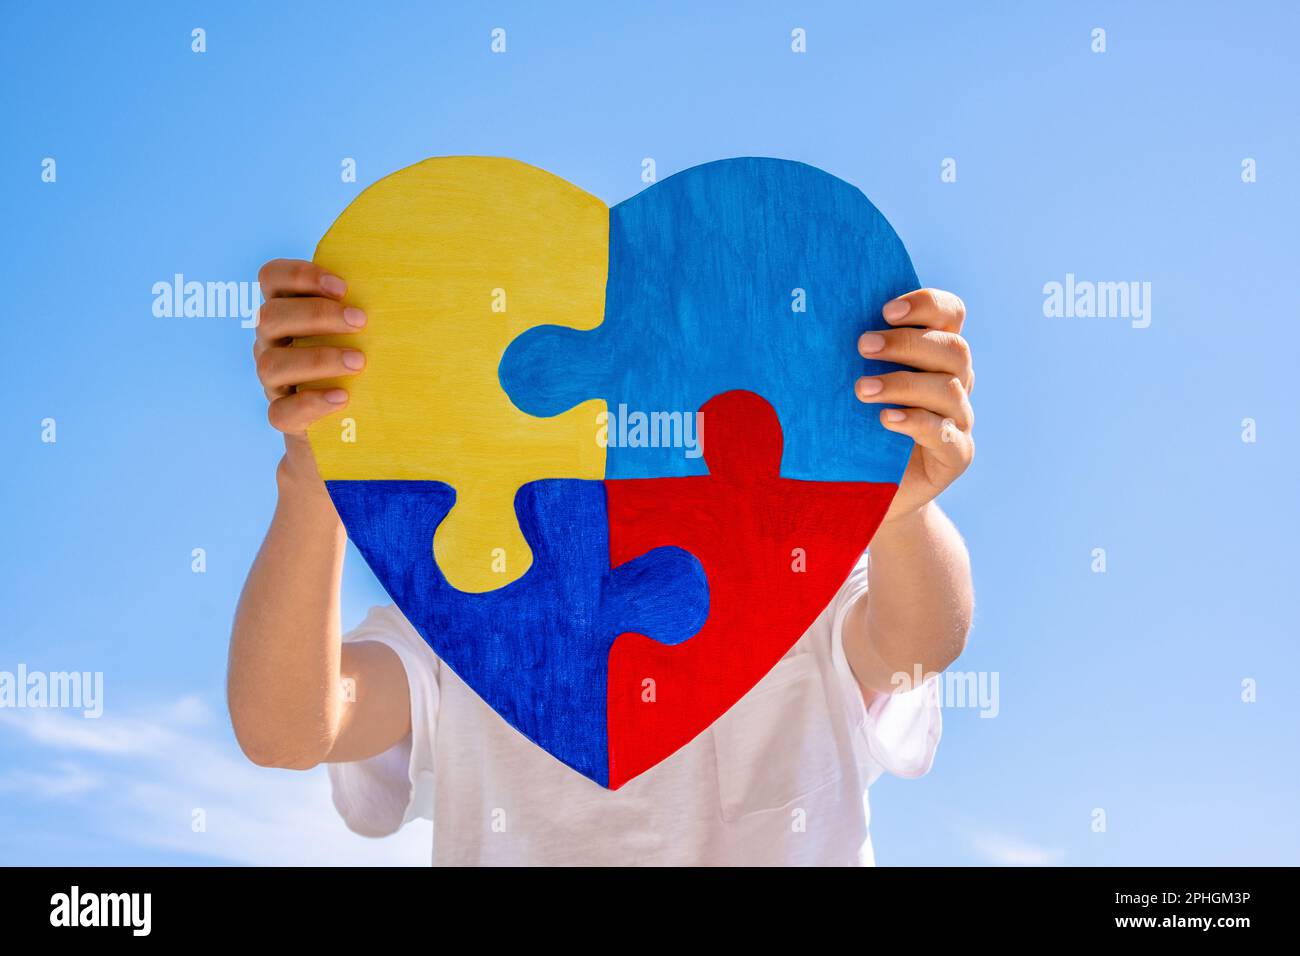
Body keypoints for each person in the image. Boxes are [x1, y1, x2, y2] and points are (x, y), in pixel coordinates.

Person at [228, 257, 975, 865]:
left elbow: (916, 647)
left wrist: (902, 514)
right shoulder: (458, 609)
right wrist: (312, 469)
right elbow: (288, 728)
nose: (618, 429)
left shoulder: (799, 578)